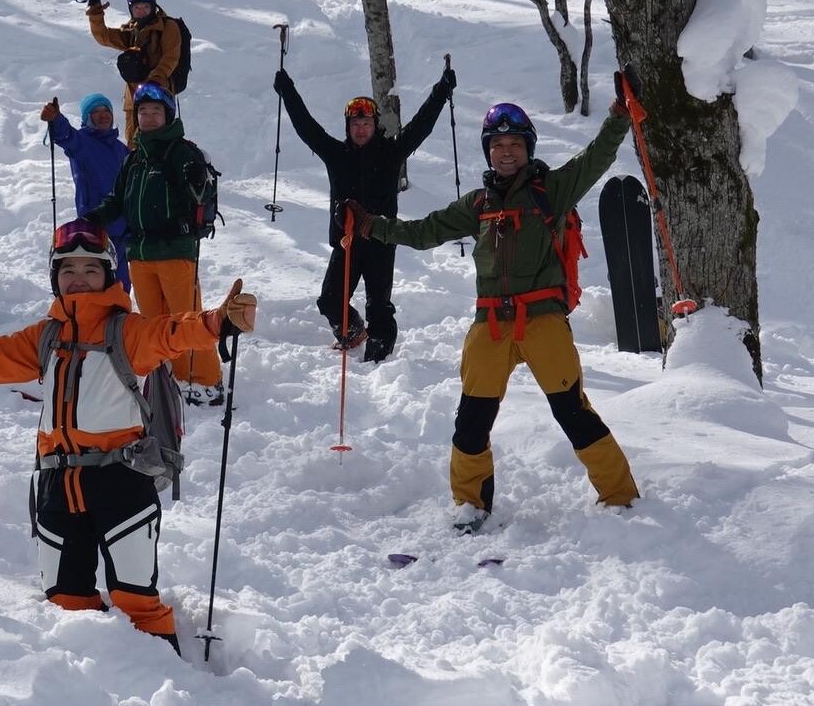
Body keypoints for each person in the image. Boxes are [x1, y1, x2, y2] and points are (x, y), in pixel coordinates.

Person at [0, 219, 256, 651]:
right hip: (57, 484)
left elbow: (174, 331)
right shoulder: (46, 338)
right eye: (67, 270)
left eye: (90, 269)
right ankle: (84, 685)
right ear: (55, 278)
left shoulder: (129, 333)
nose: (78, 279)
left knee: (136, 600)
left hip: (121, 481)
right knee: (65, 601)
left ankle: (171, 689)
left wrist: (219, 321)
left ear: (109, 276)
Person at [345, 97, 641, 534]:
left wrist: (618, 116)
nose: (507, 152)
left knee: (572, 412)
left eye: (515, 144)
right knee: (471, 421)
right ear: (488, 151)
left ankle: (620, 497)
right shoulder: (478, 204)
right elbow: (424, 231)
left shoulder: (550, 191)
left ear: (529, 149)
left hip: (542, 322)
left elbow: (596, 157)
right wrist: (373, 226)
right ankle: (471, 505)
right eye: (498, 144)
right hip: (490, 326)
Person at [273, 65, 455, 362]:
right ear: (348, 127)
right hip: (346, 241)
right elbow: (306, 127)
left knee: (379, 307)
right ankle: (354, 331)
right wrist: (287, 90)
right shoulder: (336, 154)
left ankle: (378, 360)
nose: (361, 129)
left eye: (366, 123)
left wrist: (441, 91)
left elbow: (421, 125)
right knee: (331, 301)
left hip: (381, 240)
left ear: (375, 125)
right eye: (355, 124)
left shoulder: (391, 152)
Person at [82, 83, 222, 399]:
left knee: (186, 317)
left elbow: (198, 196)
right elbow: (117, 199)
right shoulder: (135, 158)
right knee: (153, 322)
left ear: (167, 114)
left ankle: (204, 380)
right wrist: (95, 218)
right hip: (140, 252)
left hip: (175, 250)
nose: (147, 118)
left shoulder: (182, 152)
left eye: (155, 112)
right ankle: (166, 376)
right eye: (143, 112)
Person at [40, 93, 130, 288]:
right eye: (95, 111)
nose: (103, 115)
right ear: (86, 117)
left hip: (124, 228)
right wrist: (56, 120)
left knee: (122, 285)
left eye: (106, 110)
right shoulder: (82, 142)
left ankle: (120, 318)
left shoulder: (121, 149)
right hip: (95, 225)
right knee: (100, 281)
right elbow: (66, 135)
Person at [87, 0, 183, 143]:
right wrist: (96, 12)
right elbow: (103, 36)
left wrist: (156, 79)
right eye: (137, 7)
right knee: (133, 142)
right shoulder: (132, 30)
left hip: (157, 93)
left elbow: (171, 57)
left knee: (158, 138)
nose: (142, 11)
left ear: (153, 7)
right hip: (133, 97)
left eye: (146, 6)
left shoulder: (168, 27)